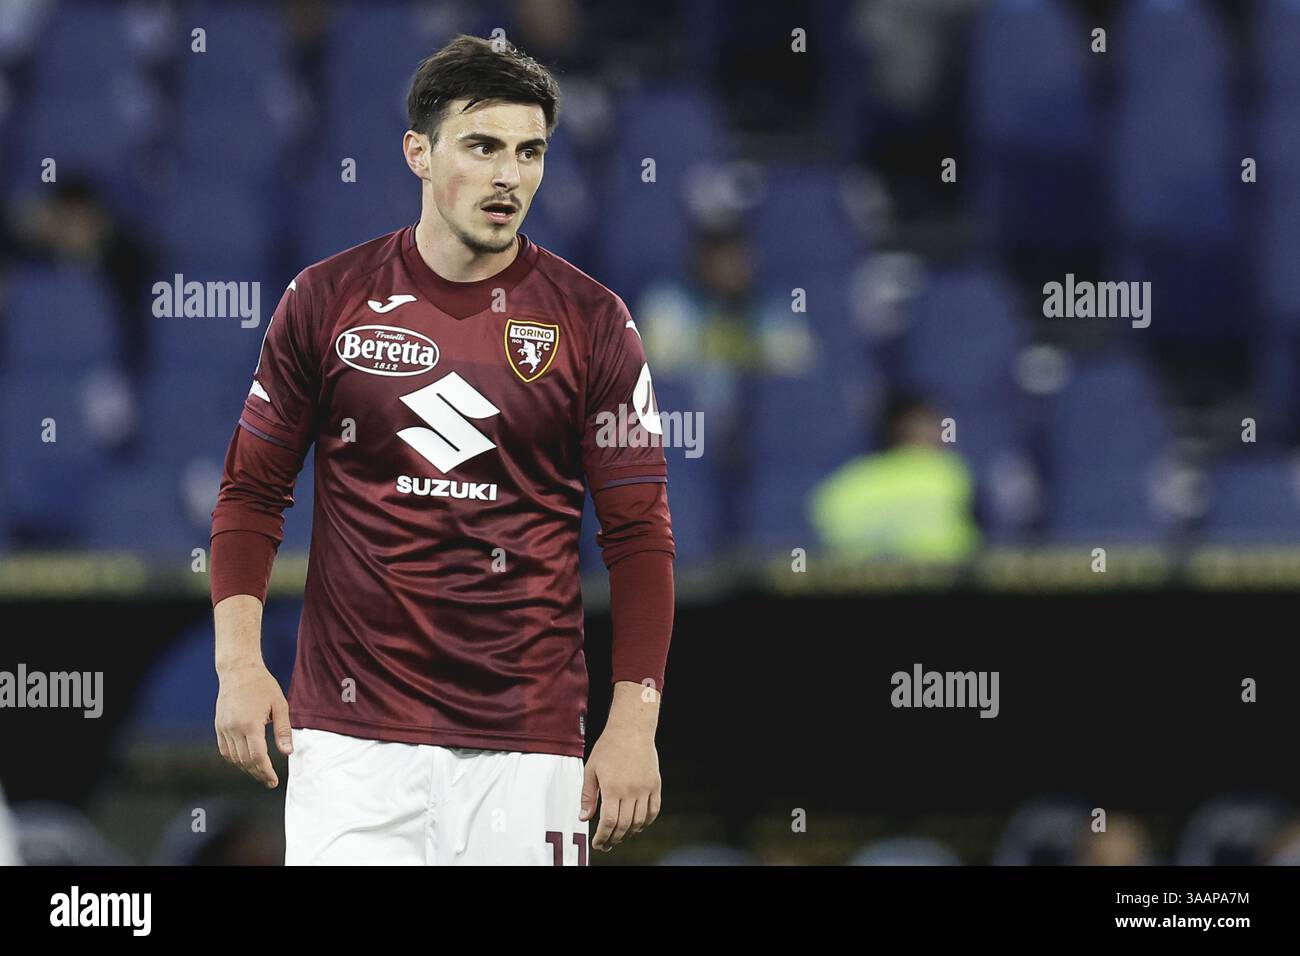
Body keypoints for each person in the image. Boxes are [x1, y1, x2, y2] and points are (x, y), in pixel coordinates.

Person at [209, 35, 676, 865]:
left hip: (531, 749)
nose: (510, 176)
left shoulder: (595, 323)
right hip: (350, 748)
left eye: (530, 152)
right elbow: (251, 493)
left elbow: (639, 536)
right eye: (483, 146)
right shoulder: (324, 300)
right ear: (418, 153)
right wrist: (239, 666)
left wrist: (633, 722)